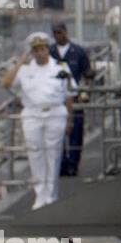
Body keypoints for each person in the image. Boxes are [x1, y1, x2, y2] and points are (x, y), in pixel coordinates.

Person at [1, 32, 74, 210]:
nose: (40, 53)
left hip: (55, 113)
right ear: (31, 52)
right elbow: (5, 83)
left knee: (53, 154)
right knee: (35, 154)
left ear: (47, 49)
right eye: (36, 50)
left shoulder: (60, 68)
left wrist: (70, 120)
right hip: (32, 114)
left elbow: (70, 94)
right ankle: (40, 195)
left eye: (42, 49)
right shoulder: (25, 70)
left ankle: (51, 194)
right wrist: (20, 61)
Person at [49, 21, 91, 177]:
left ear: (66, 32)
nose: (58, 36)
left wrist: (86, 91)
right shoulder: (50, 52)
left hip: (74, 96)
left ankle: (73, 164)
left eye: (60, 32)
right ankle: (61, 165)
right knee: (56, 132)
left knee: (75, 131)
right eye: (55, 33)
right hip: (55, 98)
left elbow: (87, 73)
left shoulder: (78, 52)